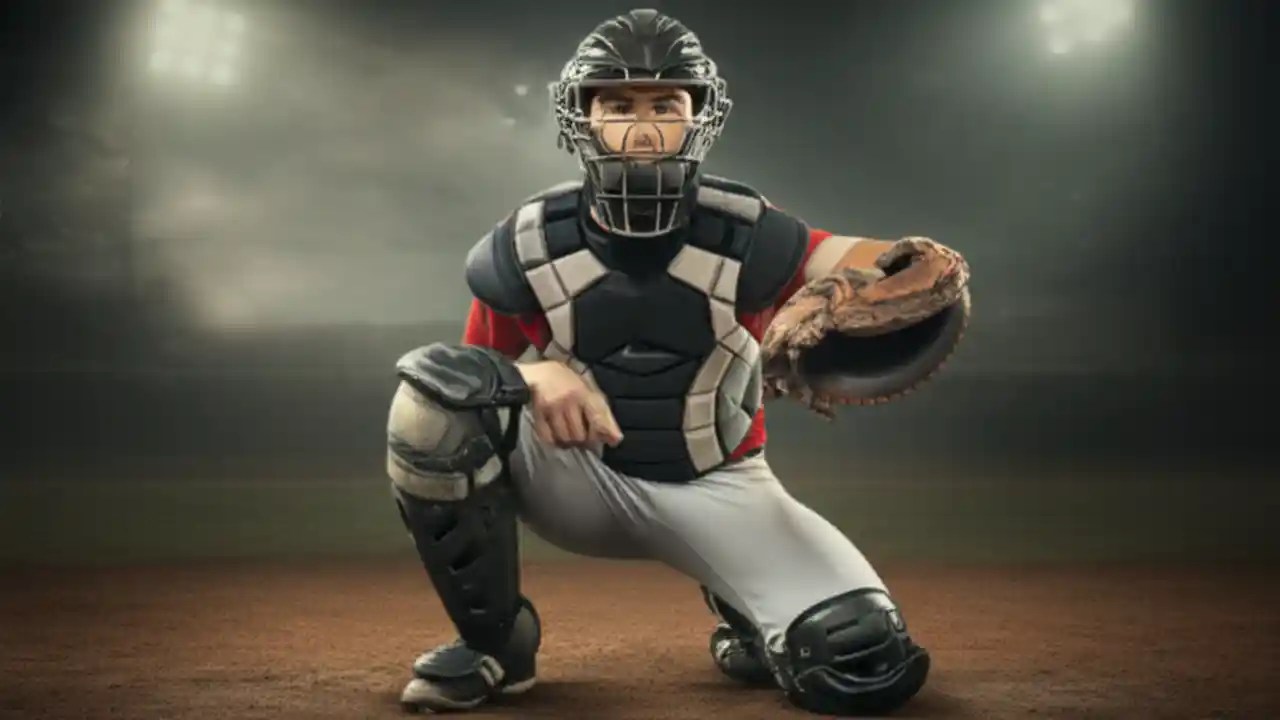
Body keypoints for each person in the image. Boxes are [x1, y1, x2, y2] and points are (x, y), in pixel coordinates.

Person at [384, 8, 969, 716]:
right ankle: (495, 645)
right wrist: (536, 374)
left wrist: (912, 264)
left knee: (858, 658)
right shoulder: (530, 242)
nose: (640, 125)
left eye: (665, 103)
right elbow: (466, 377)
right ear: (582, 117)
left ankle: (746, 608)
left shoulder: (747, 231)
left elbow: (877, 264)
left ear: (699, 115)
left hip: (721, 485)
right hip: (577, 476)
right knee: (429, 414)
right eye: (617, 104)